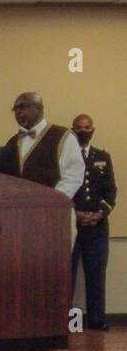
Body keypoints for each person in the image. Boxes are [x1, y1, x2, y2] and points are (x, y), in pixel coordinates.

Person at [70, 113, 116, 331]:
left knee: (96, 275)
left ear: (93, 130)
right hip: (70, 226)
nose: (83, 131)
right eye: (79, 128)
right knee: (66, 277)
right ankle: (67, 322)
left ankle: (97, 320)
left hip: (97, 228)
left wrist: (100, 213)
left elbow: (110, 191)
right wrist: (74, 214)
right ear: (72, 130)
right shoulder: (66, 158)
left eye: (87, 127)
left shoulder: (102, 157)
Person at [6, 92, 84, 199]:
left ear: (40, 109)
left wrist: (52, 200)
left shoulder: (63, 136)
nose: (18, 112)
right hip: (19, 210)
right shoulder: (12, 142)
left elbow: (74, 174)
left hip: (52, 210)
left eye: (23, 107)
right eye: (15, 109)